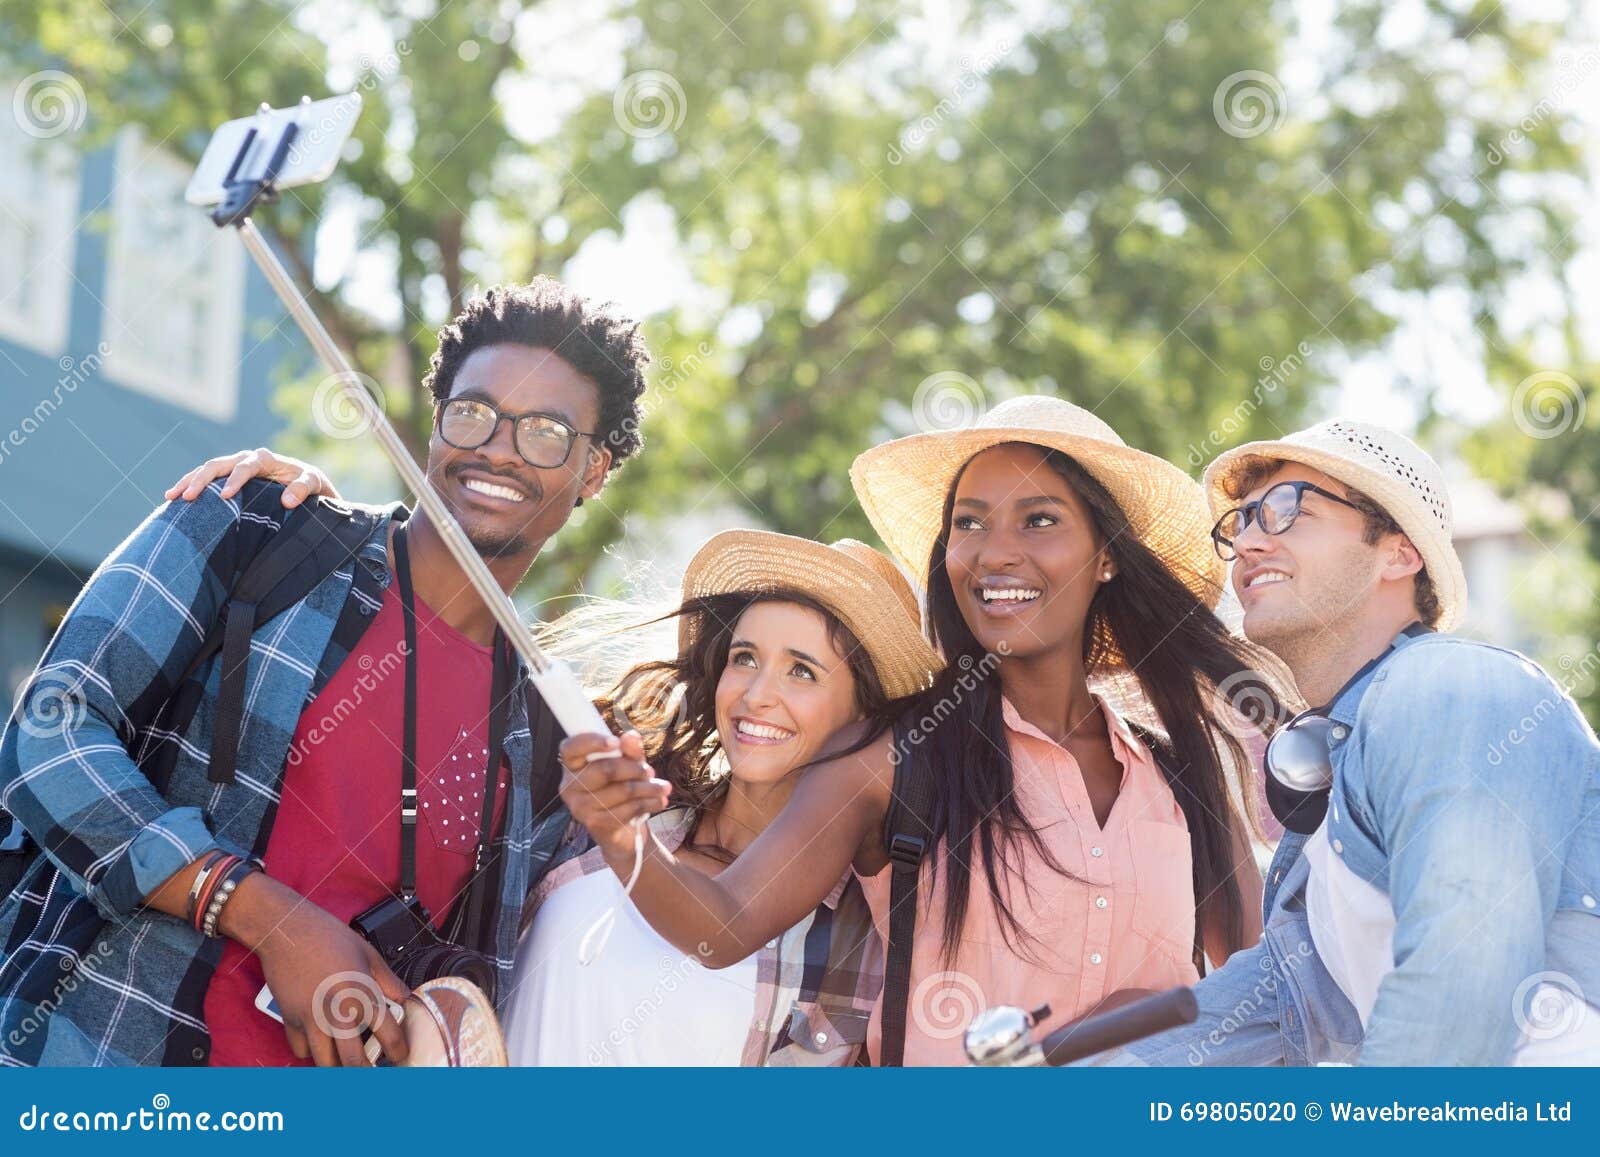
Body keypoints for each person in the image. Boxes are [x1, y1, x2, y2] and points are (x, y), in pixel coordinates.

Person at [0, 278, 649, 1067]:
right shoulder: (255, 525)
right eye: (474, 411)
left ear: (594, 471)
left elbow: (483, 988)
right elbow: (51, 733)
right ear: (434, 425)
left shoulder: (548, 740)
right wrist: (266, 915)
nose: (499, 447)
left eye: (546, 431)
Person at [560, 395, 1270, 1065]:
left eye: (1039, 519)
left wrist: (1143, 1025)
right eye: (969, 522)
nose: (995, 552)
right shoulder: (894, 761)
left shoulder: (1181, 780)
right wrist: (624, 839)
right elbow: (724, 923)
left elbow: (1266, 993)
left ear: (1107, 554)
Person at [1085, 419, 1600, 1066]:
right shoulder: (1317, 827)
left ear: (1399, 552)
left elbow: (1459, 999)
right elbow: (1235, 1021)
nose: (1247, 542)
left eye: (1285, 510)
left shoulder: (1452, 686)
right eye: (1240, 522)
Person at [504, 530, 940, 1065]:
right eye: (745, 658)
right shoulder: (605, 809)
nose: (755, 696)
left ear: (862, 717)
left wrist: (625, 841)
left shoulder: (859, 937)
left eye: (802, 671)